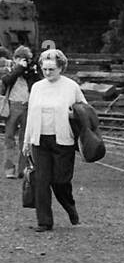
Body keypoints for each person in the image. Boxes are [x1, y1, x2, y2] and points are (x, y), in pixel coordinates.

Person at [21, 48, 87, 231]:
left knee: (60, 181)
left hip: (63, 140)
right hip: (40, 140)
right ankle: (44, 222)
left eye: (52, 69)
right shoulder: (37, 87)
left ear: (61, 68)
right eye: (45, 69)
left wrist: (73, 114)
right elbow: (31, 117)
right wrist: (27, 141)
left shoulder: (71, 86)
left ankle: (70, 207)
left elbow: (85, 110)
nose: (48, 73)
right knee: (41, 181)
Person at [3, 45, 38, 179]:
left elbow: (36, 84)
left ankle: (23, 169)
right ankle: (9, 169)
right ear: (16, 58)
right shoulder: (10, 69)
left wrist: (29, 71)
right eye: (23, 59)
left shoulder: (30, 72)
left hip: (28, 106)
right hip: (12, 106)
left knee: (25, 139)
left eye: (27, 59)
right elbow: (6, 80)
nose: (26, 62)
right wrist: (19, 69)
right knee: (9, 138)